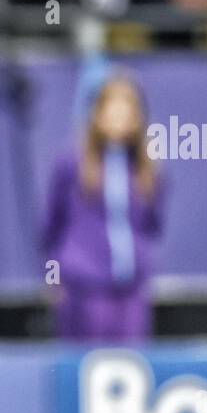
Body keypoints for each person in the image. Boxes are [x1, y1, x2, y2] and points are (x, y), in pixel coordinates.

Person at [40, 73, 164, 342]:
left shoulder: (147, 170)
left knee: (132, 361)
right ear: (97, 115)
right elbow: (52, 226)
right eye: (113, 110)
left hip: (132, 291)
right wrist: (53, 281)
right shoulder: (71, 163)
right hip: (84, 288)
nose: (120, 118)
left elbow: (152, 225)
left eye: (128, 111)